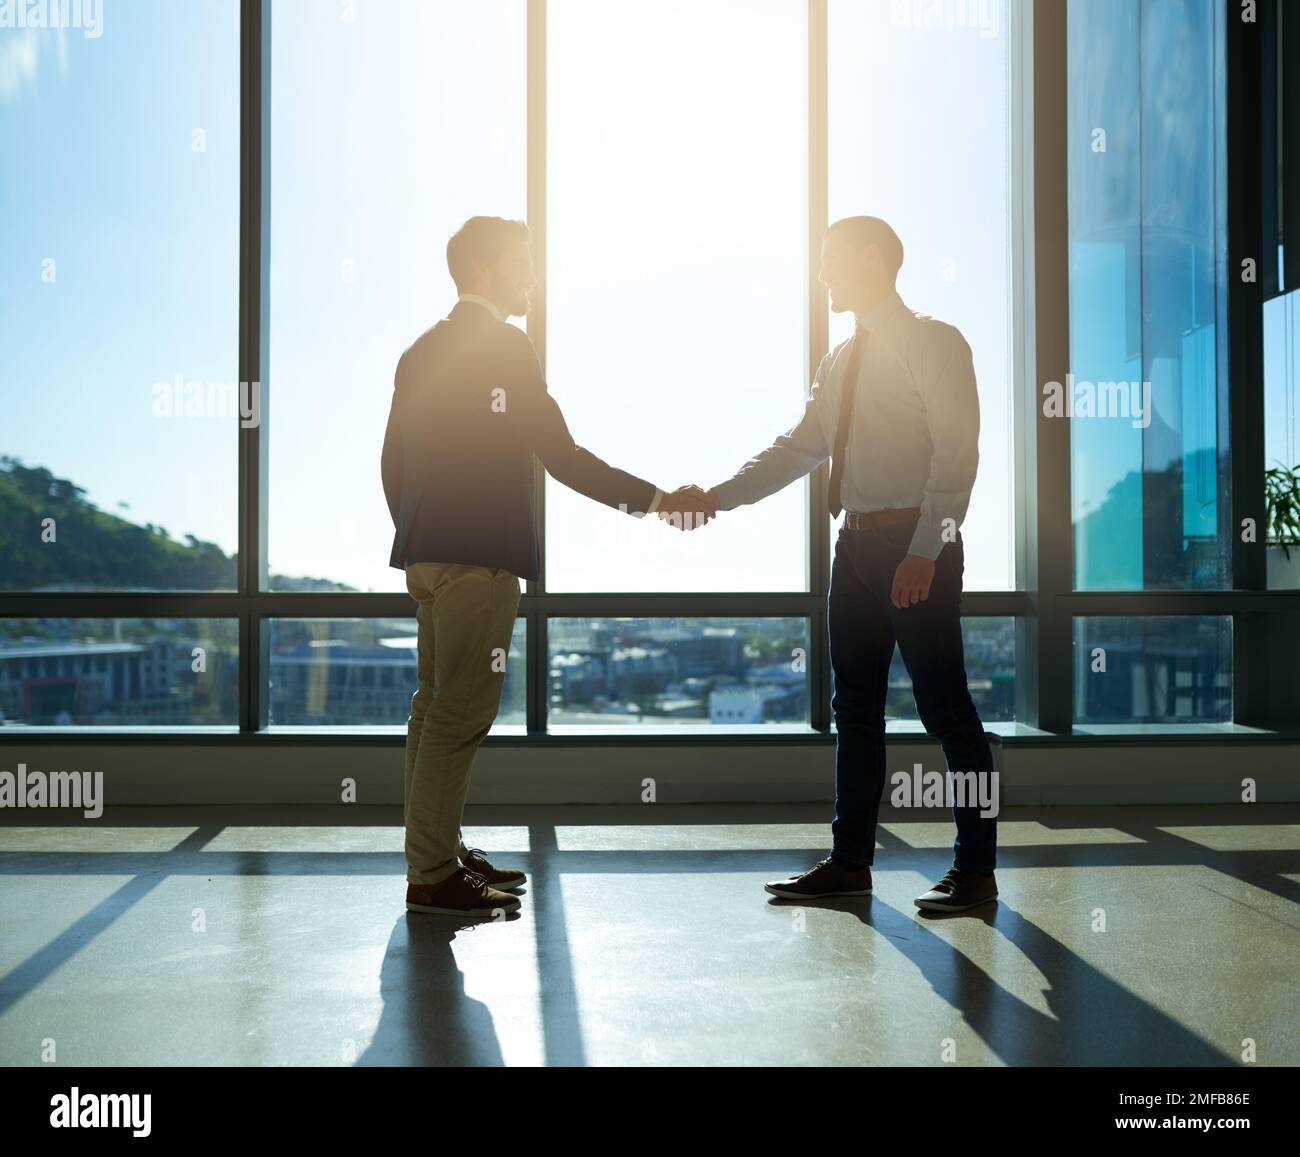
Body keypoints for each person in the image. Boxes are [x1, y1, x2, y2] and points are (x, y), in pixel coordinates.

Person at [381, 215, 708, 919]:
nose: (532, 275)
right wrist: (655, 500)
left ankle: (438, 848)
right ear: (480, 268)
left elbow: (392, 461)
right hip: (481, 559)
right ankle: (432, 872)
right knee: (460, 712)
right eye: (521, 261)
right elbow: (560, 453)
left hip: (430, 557)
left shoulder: (419, 351)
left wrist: (416, 537)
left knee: (430, 708)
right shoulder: (504, 345)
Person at [687, 215, 998, 913]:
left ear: (868, 257)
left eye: (830, 259)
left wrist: (925, 550)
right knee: (854, 708)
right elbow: (798, 448)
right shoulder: (839, 362)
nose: (822, 272)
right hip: (854, 547)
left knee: (946, 708)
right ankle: (849, 862)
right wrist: (718, 496)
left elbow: (958, 454)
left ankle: (976, 871)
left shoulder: (934, 341)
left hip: (914, 545)